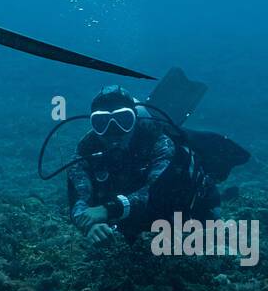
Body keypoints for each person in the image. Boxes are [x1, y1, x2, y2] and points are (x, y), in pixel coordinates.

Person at [68, 85, 223, 244]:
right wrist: (90, 225)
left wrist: (107, 209)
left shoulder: (157, 140)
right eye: (102, 122)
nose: (113, 130)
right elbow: (79, 198)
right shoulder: (85, 150)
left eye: (123, 120)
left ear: (134, 119)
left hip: (181, 214)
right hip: (131, 218)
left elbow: (156, 191)